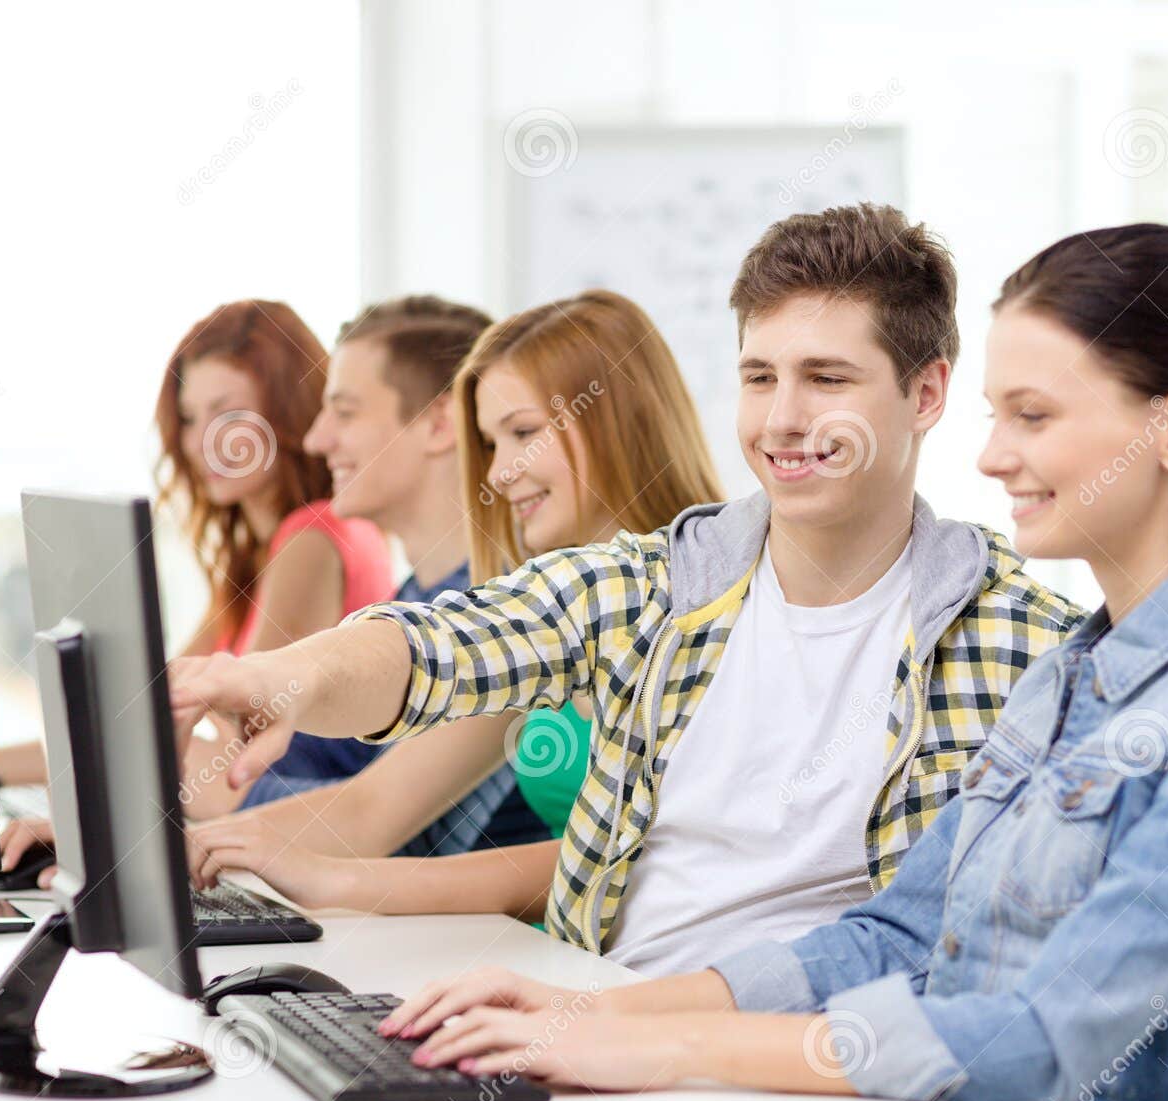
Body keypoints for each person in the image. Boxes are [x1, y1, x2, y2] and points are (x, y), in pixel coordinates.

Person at [375, 224, 1168, 1101]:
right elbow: (900, 935)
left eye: (1033, 415)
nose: (994, 453)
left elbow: (1041, 1043)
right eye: (997, 412)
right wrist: (606, 1016)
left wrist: (668, 1047)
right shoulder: (1075, 674)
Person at [170, 204, 1080, 975]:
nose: (783, 419)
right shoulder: (653, 588)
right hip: (593, 1039)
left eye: (826, 379)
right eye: (760, 378)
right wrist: (284, 677)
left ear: (926, 395)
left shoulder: (1026, 645)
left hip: (811, 1085)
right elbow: (441, 644)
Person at [187, 290, 724, 895]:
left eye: (523, 433)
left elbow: (636, 857)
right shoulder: (549, 609)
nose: (497, 473)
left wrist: (340, 882)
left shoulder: (713, 605)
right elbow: (403, 706)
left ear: (615, 423)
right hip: (561, 958)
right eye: (492, 443)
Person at [0, 300, 394, 873]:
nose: (202, 440)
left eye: (225, 412)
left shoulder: (313, 539)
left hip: (305, 829)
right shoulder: (260, 555)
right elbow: (144, 716)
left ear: (284, 411)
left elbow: (225, 763)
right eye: (188, 417)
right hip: (269, 826)